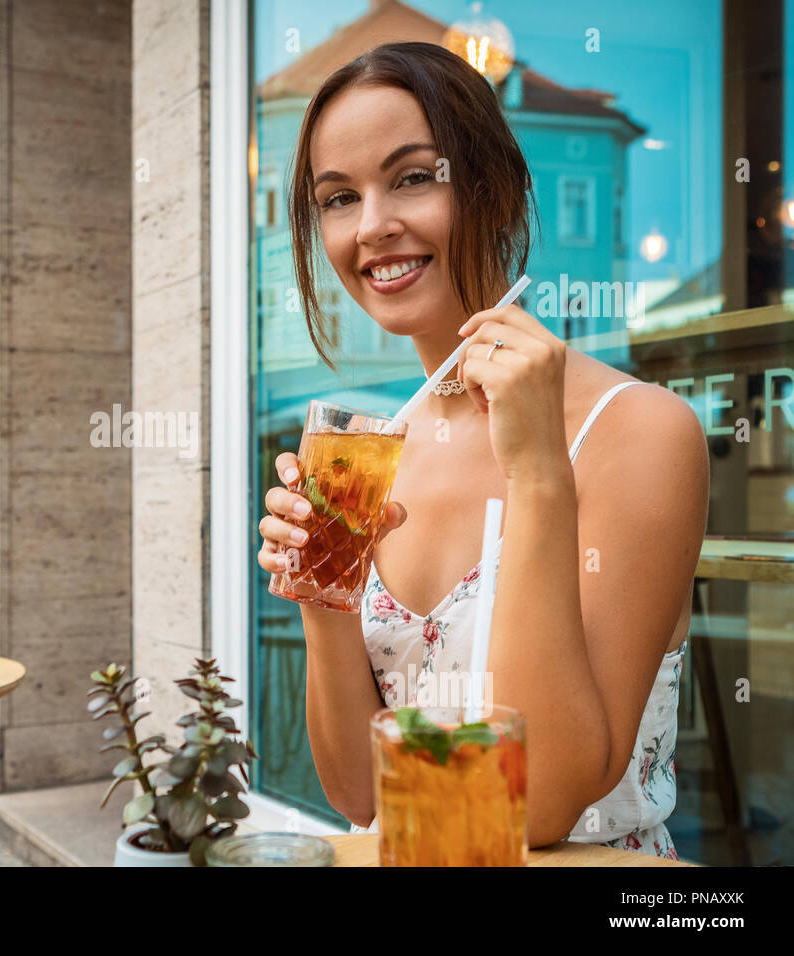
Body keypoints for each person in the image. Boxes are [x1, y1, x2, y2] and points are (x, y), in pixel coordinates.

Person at [255, 41, 708, 859]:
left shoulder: (642, 430)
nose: (373, 225)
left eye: (414, 177)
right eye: (338, 198)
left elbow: (539, 807)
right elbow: (361, 795)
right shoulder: (381, 452)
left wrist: (540, 474)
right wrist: (319, 594)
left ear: (496, 190)